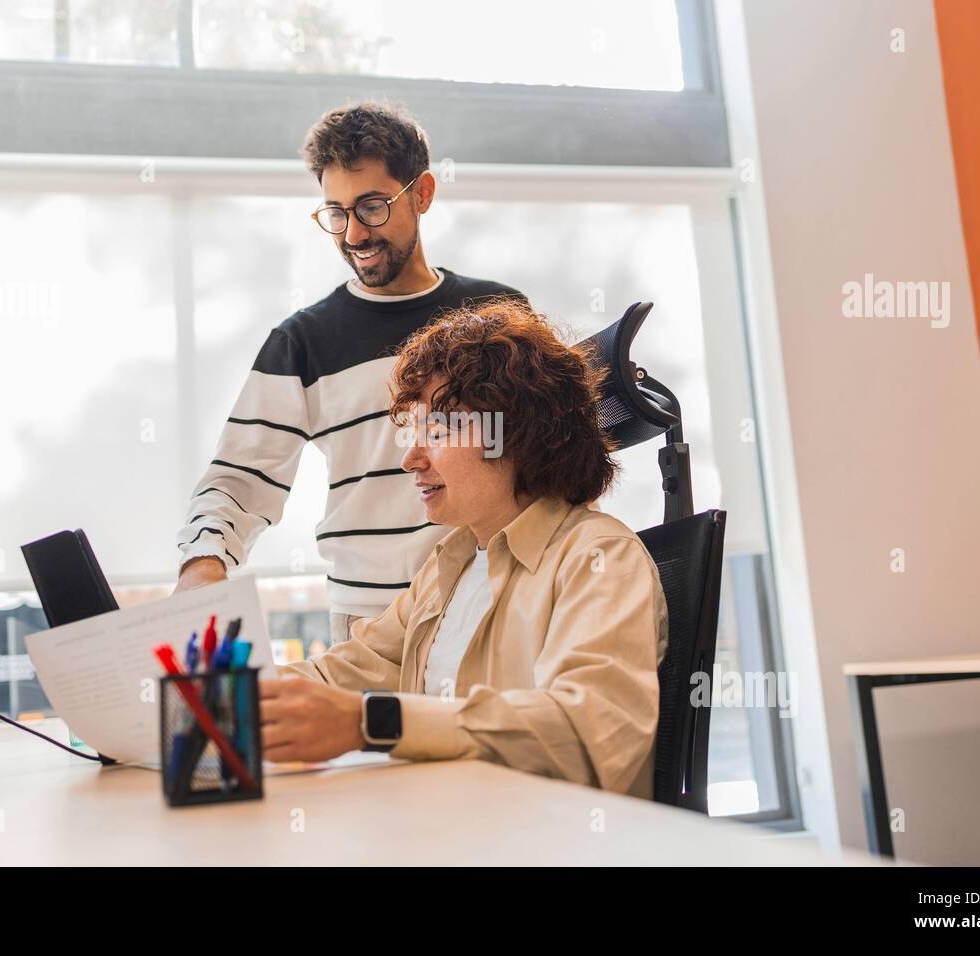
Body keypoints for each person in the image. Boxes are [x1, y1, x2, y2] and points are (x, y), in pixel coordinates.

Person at [259, 300, 668, 798]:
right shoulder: (449, 566)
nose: (411, 458)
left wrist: (374, 722)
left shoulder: (599, 557)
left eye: (438, 430)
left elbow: (586, 734)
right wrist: (227, 697)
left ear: (517, 433)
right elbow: (340, 674)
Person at [174, 102, 526, 647]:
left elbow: (552, 454)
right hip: (370, 623)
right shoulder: (303, 343)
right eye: (335, 213)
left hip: (496, 599)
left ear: (423, 193)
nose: (354, 234)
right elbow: (241, 476)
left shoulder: (500, 315)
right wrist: (202, 563)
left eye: (372, 207)